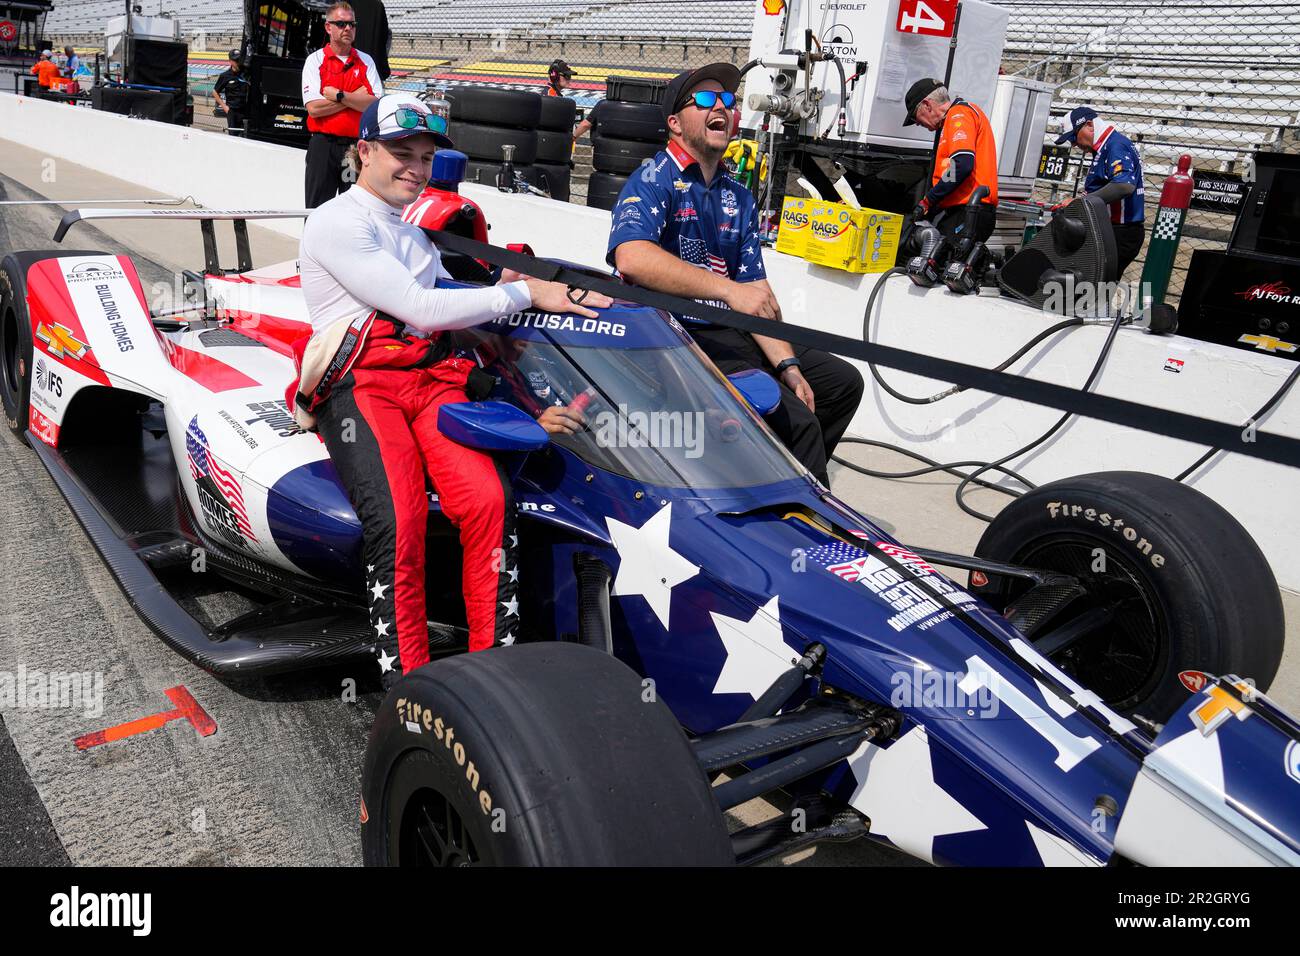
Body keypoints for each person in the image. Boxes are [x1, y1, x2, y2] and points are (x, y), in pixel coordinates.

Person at [295, 93, 612, 686]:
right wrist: (524, 294)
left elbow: (453, 305)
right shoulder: (335, 219)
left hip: (430, 380)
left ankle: (497, 674)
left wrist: (523, 281)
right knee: (399, 519)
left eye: (424, 157)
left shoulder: (411, 232)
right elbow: (419, 305)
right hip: (362, 386)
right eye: (400, 153)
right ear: (363, 151)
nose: (415, 168)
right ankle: (407, 689)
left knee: (489, 503)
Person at [608, 63, 864, 488]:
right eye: (706, 100)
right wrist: (728, 292)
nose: (722, 108)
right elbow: (632, 258)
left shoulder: (738, 195)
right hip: (675, 334)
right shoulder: (653, 180)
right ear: (674, 123)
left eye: (728, 100)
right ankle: (805, 522)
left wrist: (790, 365)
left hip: (732, 329)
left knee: (841, 384)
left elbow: (756, 292)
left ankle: (777, 482)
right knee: (798, 423)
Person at [301, 1, 383, 208]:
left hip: (354, 147)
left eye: (352, 24)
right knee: (316, 209)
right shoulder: (315, 60)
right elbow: (314, 109)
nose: (348, 28)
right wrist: (355, 98)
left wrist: (338, 96)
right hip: (323, 146)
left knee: (355, 208)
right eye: (341, 24)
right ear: (328, 27)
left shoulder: (366, 61)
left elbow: (375, 105)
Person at [903, 77, 999, 245]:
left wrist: (929, 200)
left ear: (927, 105)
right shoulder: (954, 118)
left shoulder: (958, 115)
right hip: (967, 210)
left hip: (971, 210)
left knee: (940, 263)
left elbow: (961, 164)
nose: (917, 123)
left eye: (915, 116)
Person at [1056, 106, 1147, 278]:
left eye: (1074, 136)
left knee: (1093, 288)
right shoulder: (1106, 146)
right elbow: (1103, 186)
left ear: (1089, 125)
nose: (1074, 144)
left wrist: (1081, 202)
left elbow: (1124, 185)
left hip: (1120, 231)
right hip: (1113, 229)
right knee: (1089, 287)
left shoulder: (1115, 145)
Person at [213, 50, 250, 134]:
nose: (238, 62)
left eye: (239, 60)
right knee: (234, 135)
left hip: (245, 110)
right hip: (232, 111)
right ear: (230, 61)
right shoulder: (225, 76)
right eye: (236, 60)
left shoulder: (246, 73)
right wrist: (225, 107)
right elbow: (215, 92)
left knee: (247, 136)